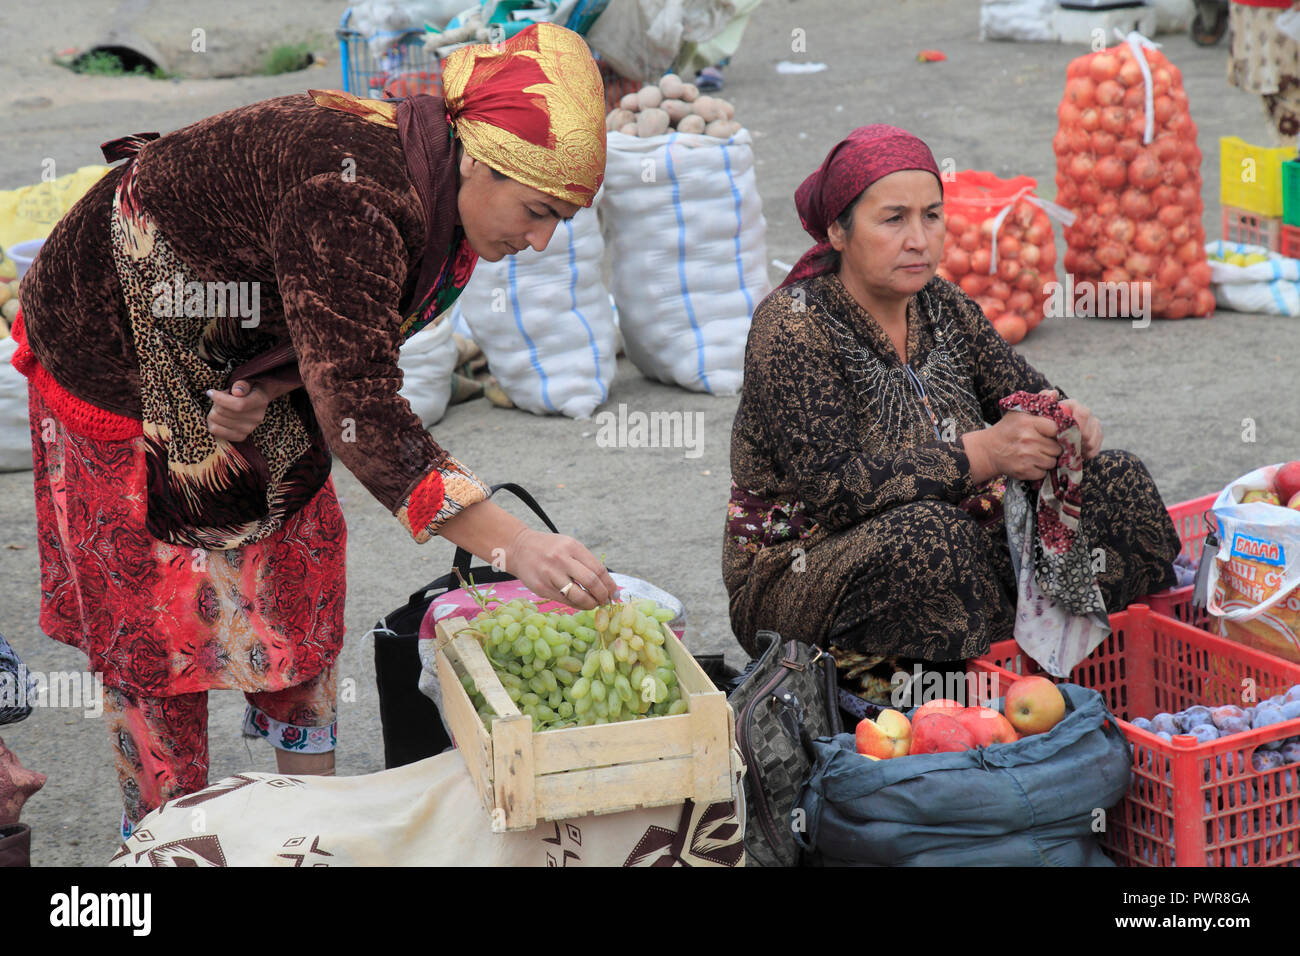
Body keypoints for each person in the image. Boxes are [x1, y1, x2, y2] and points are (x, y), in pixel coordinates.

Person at [11, 22, 615, 838]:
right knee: (160, 624)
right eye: (538, 210)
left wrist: (254, 382)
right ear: (478, 157)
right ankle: (161, 845)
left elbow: (330, 338)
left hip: (219, 334)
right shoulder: (356, 195)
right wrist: (514, 545)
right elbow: (362, 404)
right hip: (118, 330)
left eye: (561, 224)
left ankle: (304, 837)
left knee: (293, 583)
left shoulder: (438, 186)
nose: (540, 240)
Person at [722, 125, 1181, 702]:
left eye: (932, 216)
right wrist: (985, 452)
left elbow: (1024, 392)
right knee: (933, 539)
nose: (919, 239)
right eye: (893, 219)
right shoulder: (793, 327)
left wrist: (1063, 419)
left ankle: (1088, 686)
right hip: (805, 568)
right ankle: (904, 713)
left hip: (960, 537)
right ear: (838, 230)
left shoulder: (940, 303)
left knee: (1119, 483)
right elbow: (837, 491)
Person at [1226, 0, 1300, 145]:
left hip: (1268, 14)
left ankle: (1287, 155)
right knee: (1286, 99)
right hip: (1275, 13)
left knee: (1283, 100)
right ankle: (1288, 156)